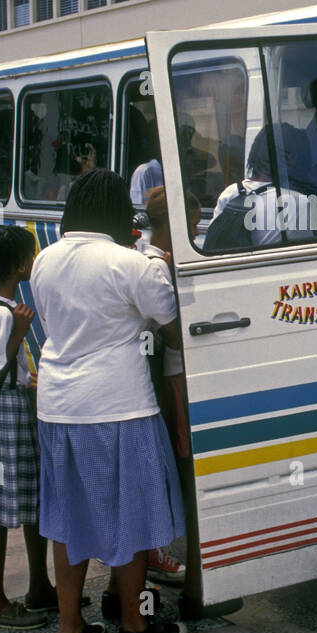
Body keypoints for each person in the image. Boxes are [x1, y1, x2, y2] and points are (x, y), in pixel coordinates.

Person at [32, 168, 187, 633]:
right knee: (132, 516)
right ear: (120, 210)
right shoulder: (130, 263)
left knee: (66, 518)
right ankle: (136, 629)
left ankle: (70, 629)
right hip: (119, 404)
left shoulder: (44, 260)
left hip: (57, 406)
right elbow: (174, 329)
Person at [0, 226, 54, 630]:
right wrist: (18, 335)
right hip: (2, 414)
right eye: (30, 256)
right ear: (21, 265)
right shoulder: (3, 313)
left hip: (11, 410)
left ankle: (41, 587)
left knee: (32, 501)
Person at [137, 186, 200, 586]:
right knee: (181, 465)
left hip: (154, 376)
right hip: (170, 374)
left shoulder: (148, 258)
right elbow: (176, 335)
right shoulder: (155, 267)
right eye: (192, 226)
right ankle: (165, 555)